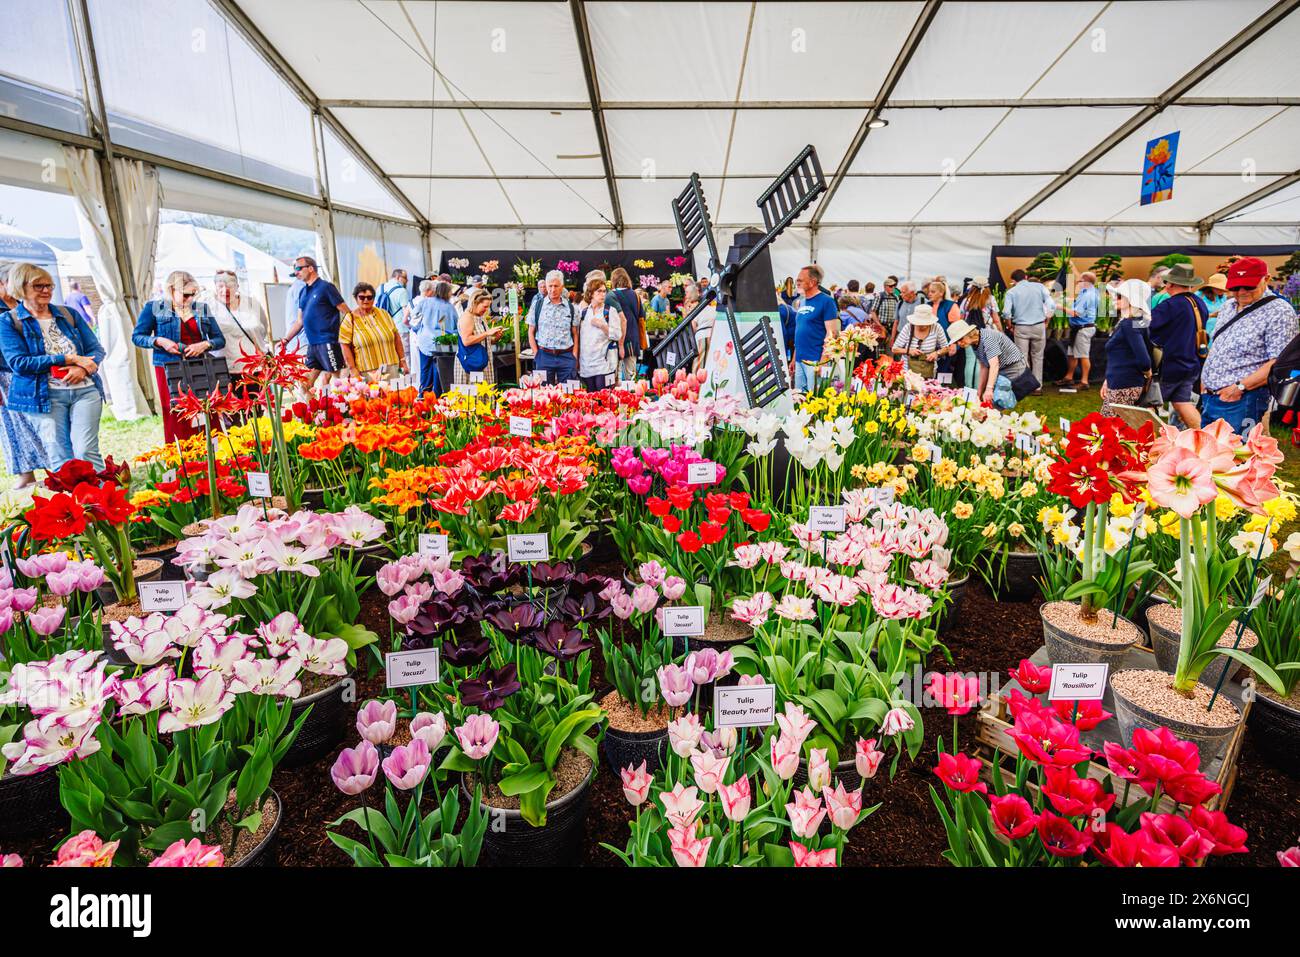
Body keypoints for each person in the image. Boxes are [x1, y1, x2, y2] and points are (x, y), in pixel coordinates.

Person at [0, 264, 106, 470]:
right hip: (43, 397)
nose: (46, 290)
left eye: (49, 285)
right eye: (39, 286)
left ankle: (104, 500)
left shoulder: (68, 314)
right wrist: (67, 358)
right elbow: (19, 363)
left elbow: (96, 350)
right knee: (60, 457)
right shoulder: (8, 321)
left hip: (85, 391)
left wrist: (83, 369)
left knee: (86, 451)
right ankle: (73, 502)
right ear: (20, 287)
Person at [1200, 256, 1298, 434]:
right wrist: (1205, 382)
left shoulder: (1279, 311)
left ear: (1266, 279)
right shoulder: (1229, 306)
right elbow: (1218, 345)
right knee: (1210, 455)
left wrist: (1239, 388)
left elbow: (1278, 363)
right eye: (1235, 287)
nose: (1241, 291)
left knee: (1238, 457)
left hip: (1241, 399)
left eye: (1249, 286)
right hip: (1211, 396)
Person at [133, 270, 226, 444]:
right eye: (185, 295)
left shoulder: (202, 309)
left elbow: (219, 339)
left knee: (207, 412)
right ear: (171, 290)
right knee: (177, 415)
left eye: (193, 294)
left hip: (200, 367)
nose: (190, 299)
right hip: (169, 369)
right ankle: (182, 459)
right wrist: (159, 341)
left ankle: (213, 459)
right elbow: (137, 336)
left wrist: (205, 344)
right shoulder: (154, 308)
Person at [0, 262, 48, 486]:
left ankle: (54, 469)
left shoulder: (30, 305)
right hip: (6, 376)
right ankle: (25, 474)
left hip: (36, 371)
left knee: (43, 423)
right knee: (15, 427)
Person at [1149, 262, 1209, 430]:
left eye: (1167, 282)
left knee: (1148, 404)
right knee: (1182, 402)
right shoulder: (1199, 303)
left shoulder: (1170, 305)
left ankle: (1149, 445)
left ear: (1172, 284)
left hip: (1170, 364)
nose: (1165, 286)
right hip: (1192, 363)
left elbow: (1148, 326)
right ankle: (1204, 438)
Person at [283, 255, 350, 388]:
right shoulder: (303, 292)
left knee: (338, 381)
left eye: (299, 268)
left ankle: (344, 406)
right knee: (304, 385)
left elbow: (346, 312)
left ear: (311, 268)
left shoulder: (326, 287)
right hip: (312, 345)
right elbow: (299, 322)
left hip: (328, 341)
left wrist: (350, 336)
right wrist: (285, 340)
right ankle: (315, 408)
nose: (296, 272)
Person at [945, 319, 1028, 410]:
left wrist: (989, 389)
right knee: (989, 402)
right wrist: (979, 392)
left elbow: (994, 364)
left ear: (969, 333)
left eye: (960, 339)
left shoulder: (987, 338)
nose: (959, 343)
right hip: (1002, 370)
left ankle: (998, 420)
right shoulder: (975, 343)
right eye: (956, 342)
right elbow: (984, 366)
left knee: (996, 402)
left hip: (1014, 369)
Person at [1100, 278, 1153, 417]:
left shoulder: (1130, 324)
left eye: (1119, 296)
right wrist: (1108, 380)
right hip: (1121, 382)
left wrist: (1148, 375)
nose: (1114, 299)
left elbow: (1144, 359)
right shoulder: (1134, 322)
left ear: (1132, 300)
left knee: (1110, 429)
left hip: (1124, 385)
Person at [339, 282, 407, 382]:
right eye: (362, 297)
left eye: (369, 297)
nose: (366, 300)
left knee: (394, 396)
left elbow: (396, 337)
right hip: (367, 371)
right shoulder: (350, 319)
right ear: (356, 299)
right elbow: (344, 345)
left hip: (391, 367)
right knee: (372, 397)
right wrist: (352, 369)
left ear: (373, 299)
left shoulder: (384, 314)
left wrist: (402, 361)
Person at [211, 269, 270, 376]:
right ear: (215, 287)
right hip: (225, 369)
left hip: (255, 367)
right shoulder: (210, 307)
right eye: (220, 286)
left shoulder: (252, 303)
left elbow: (263, 329)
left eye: (230, 286)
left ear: (237, 286)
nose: (225, 290)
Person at [1001, 269, 1051, 393]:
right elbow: (1051, 305)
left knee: (1022, 357)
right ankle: (1038, 386)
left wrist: (1009, 326)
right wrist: (1047, 321)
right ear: (1026, 276)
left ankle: (1027, 385)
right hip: (1039, 325)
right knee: (1038, 356)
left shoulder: (1011, 292)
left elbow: (1006, 313)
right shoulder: (1040, 287)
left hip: (1021, 326)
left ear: (1013, 281)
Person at [791, 264, 840, 393]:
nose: (797, 282)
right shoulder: (801, 301)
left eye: (801, 280)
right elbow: (800, 330)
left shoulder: (827, 301)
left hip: (815, 359)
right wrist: (794, 358)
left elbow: (832, 333)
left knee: (815, 399)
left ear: (812, 282)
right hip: (800, 359)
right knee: (799, 398)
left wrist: (823, 361)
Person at [526, 270, 579, 385]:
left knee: (569, 394)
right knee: (543, 395)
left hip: (566, 357)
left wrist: (574, 356)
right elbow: (531, 332)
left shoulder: (571, 307)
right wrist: (537, 354)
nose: (553, 289)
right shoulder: (537, 305)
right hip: (544, 356)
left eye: (556, 286)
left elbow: (575, 333)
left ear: (562, 287)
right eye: (550, 286)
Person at [411, 280, 457, 395]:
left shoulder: (425, 302)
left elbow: (414, 315)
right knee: (439, 370)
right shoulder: (450, 307)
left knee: (425, 369)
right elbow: (456, 325)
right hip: (442, 343)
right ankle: (437, 396)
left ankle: (423, 395)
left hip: (424, 341)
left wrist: (420, 328)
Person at [578, 277, 623, 390]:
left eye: (604, 291)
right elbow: (579, 339)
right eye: (599, 291)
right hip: (586, 364)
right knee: (591, 401)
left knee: (605, 400)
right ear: (591, 293)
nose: (603, 294)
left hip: (604, 365)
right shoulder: (583, 313)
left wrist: (602, 326)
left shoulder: (609, 311)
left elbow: (618, 335)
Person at [1057, 271, 1099, 389]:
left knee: (1083, 355)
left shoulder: (1087, 295)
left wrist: (1060, 307)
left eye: (1079, 281)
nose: (1077, 283)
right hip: (1079, 328)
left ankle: (1084, 382)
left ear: (1086, 282)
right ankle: (1069, 378)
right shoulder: (1091, 292)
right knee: (1072, 354)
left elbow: (1076, 313)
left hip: (1083, 329)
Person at [958, 279, 1002, 391]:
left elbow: (961, 318)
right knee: (981, 362)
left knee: (969, 360)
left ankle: (968, 389)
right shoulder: (990, 299)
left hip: (969, 333)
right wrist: (1001, 331)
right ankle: (978, 390)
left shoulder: (966, 301)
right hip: (987, 333)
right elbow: (996, 319)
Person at [457, 288, 503, 386]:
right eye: (485, 306)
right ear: (475, 303)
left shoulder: (479, 317)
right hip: (471, 364)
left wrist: (495, 338)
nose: (487, 310)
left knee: (483, 395)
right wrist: (487, 333)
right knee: (473, 397)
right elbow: (466, 341)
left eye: (488, 307)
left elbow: (482, 341)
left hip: (480, 362)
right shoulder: (467, 317)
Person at [891, 303, 949, 378]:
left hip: (929, 372)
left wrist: (937, 353)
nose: (922, 326)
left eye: (925, 323)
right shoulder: (908, 327)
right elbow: (894, 349)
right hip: (908, 372)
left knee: (928, 389)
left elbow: (946, 348)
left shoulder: (936, 327)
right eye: (919, 323)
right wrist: (909, 351)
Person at [608, 267, 642, 381]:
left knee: (614, 373)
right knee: (630, 374)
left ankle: (615, 397)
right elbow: (641, 316)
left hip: (615, 337)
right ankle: (631, 395)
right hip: (632, 337)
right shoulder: (635, 295)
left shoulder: (610, 295)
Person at [376, 269, 412, 364]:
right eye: (405, 278)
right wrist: (411, 326)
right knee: (405, 355)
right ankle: (407, 377)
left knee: (392, 356)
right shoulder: (402, 291)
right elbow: (406, 312)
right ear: (397, 277)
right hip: (401, 328)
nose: (407, 281)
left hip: (385, 328)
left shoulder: (380, 288)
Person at [870, 276, 901, 340]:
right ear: (885, 286)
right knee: (880, 348)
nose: (893, 288)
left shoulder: (896, 297)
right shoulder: (879, 296)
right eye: (890, 286)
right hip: (881, 326)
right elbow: (873, 312)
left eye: (894, 286)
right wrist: (880, 326)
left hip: (892, 328)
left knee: (891, 347)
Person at [1199, 273, 1229, 337]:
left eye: (1223, 288)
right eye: (1219, 288)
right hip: (1203, 334)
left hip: (1218, 332)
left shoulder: (1223, 297)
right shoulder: (1199, 296)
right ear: (1211, 287)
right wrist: (1212, 315)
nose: (1222, 290)